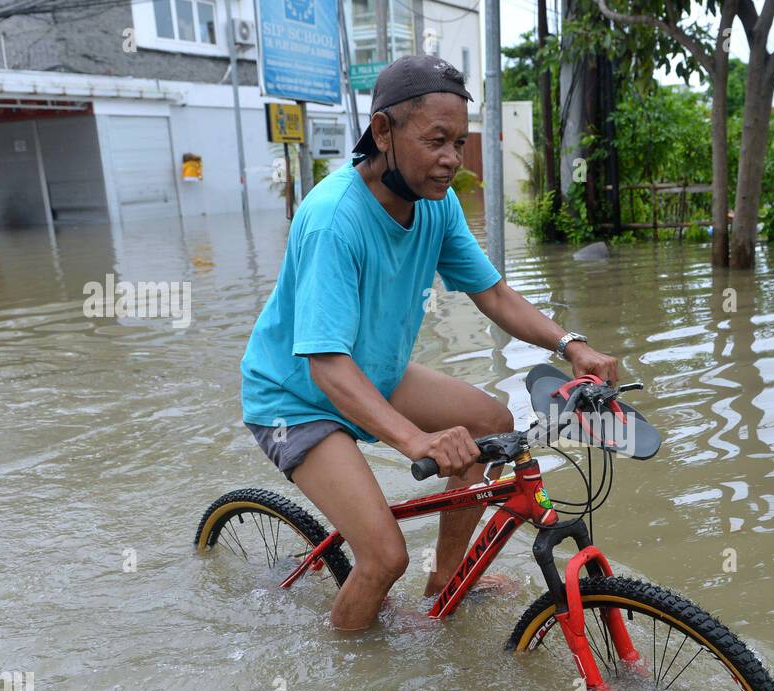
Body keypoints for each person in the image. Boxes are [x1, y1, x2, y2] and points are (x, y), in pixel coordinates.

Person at [240, 55, 620, 632]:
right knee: (384, 558)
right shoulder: (332, 219)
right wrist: (418, 439)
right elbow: (326, 367)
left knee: (490, 423)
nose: (450, 159)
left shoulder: (436, 204)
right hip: (296, 400)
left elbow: (492, 295)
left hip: (374, 373)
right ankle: (350, 675)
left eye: (459, 143)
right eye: (435, 140)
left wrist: (571, 344)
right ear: (384, 132)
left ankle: (445, 580)